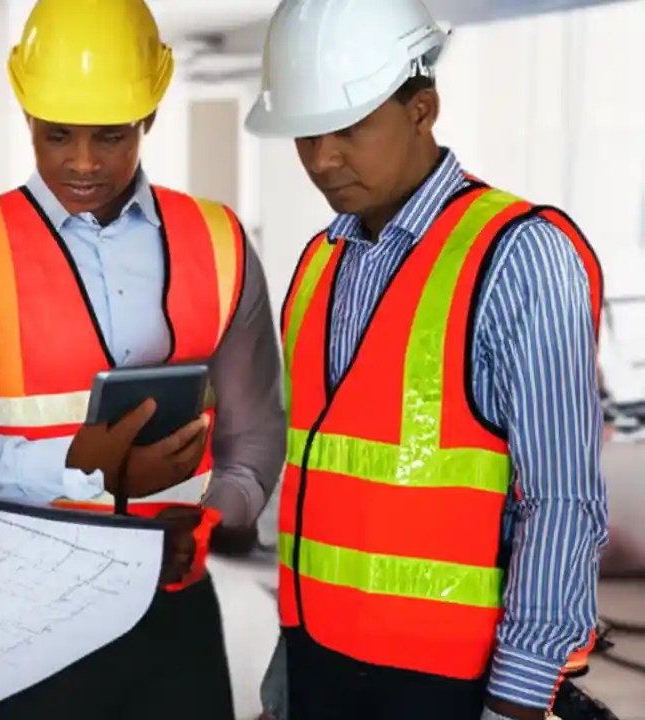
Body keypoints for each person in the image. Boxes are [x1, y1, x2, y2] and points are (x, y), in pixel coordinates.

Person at [0, 0, 287, 717]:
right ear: (25, 115)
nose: (83, 162)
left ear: (150, 112)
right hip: (16, 617)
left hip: (171, 609)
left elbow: (256, 431)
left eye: (111, 136)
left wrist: (208, 520)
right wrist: (82, 468)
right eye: (57, 136)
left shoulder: (219, 241)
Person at [245, 1, 608, 719]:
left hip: (455, 685)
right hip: (316, 660)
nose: (323, 159)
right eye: (307, 134)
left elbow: (562, 499)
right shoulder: (320, 265)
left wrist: (521, 694)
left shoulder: (519, 257)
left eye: (349, 128)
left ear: (422, 109)